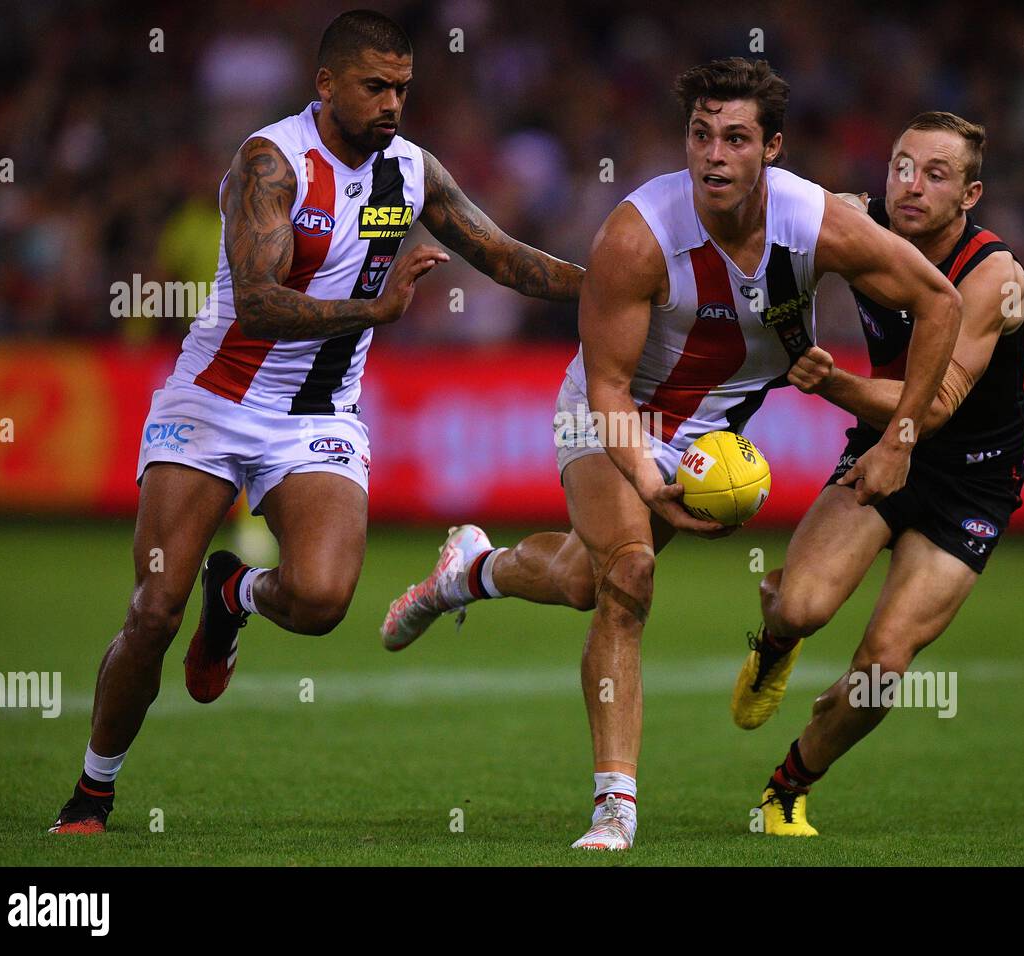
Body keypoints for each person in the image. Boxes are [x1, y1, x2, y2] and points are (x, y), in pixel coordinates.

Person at [380, 60, 962, 850]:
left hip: (711, 432)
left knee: (587, 582)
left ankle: (473, 569)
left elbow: (941, 301)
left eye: (735, 138)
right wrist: (652, 484)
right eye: (700, 135)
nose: (714, 156)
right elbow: (610, 388)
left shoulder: (815, 221)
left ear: (773, 149)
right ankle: (615, 806)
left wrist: (901, 439)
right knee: (629, 576)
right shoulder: (636, 235)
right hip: (610, 412)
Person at [49, 10, 583, 834]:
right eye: (375, 87)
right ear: (326, 84)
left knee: (324, 598)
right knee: (155, 608)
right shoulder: (271, 162)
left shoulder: (413, 172)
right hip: (214, 402)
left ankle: (234, 593)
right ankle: (94, 790)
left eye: (403, 88)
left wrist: (624, 282)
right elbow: (258, 303)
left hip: (316, 415)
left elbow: (506, 255)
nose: (393, 105)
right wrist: (376, 307)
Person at [731, 112, 1024, 836]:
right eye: (901, 165)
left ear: (970, 195)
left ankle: (786, 788)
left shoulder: (994, 278)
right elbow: (752, 225)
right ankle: (775, 642)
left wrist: (825, 379)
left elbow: (933, 408)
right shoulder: (851, 220)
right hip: (879, 441)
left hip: (970, 476)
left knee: (882, 667)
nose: (912, 186)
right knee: (800, 609)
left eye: (936, 174)